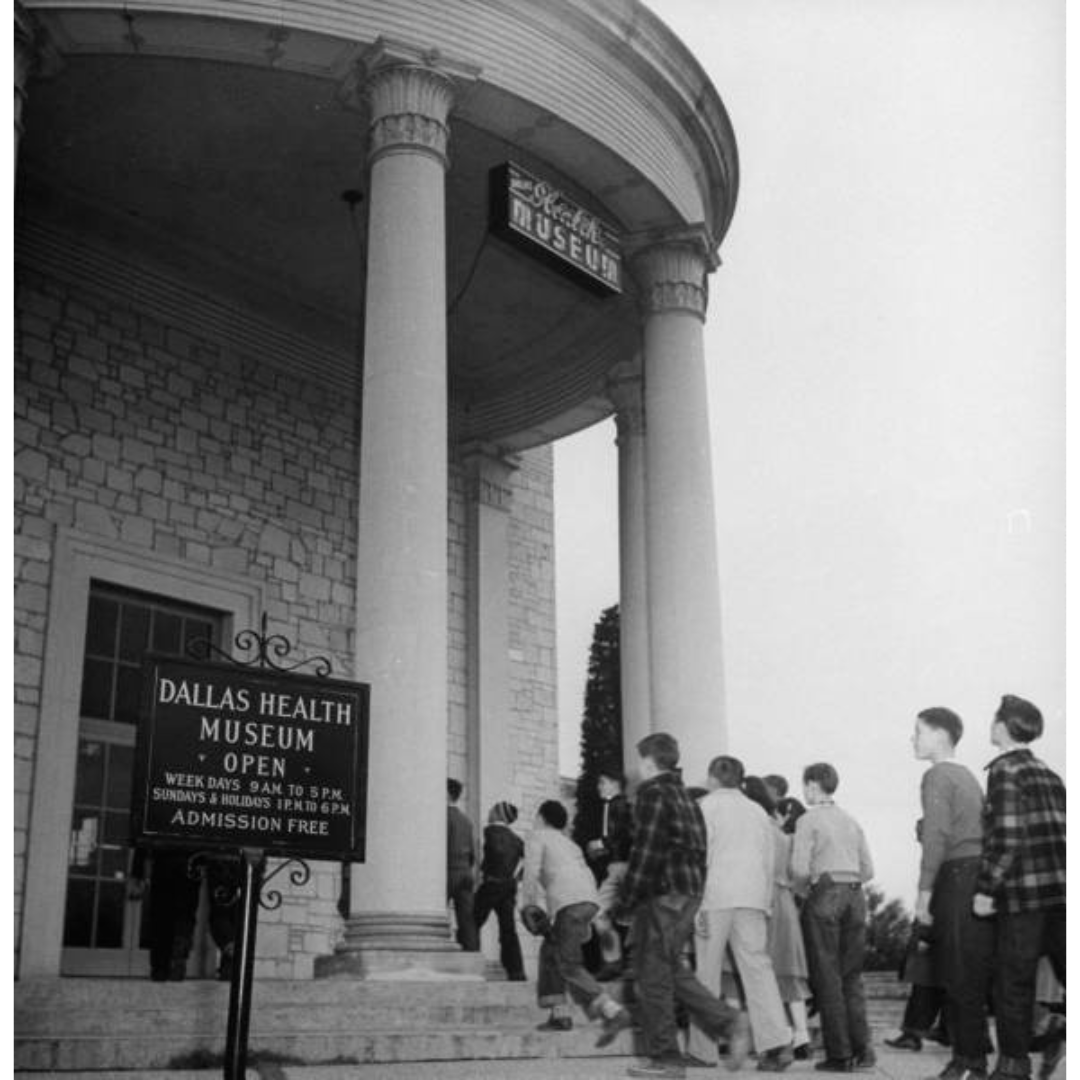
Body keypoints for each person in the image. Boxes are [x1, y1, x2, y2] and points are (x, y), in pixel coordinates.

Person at [610, 732, 751, 1080]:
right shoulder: (685, 796)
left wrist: (626, 901)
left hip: (663, 892)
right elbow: (699, 850)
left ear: (647, 762)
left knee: (651, 977)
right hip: (688, 892)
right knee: (671, 969)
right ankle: (729, 1022)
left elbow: (647, 851)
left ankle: (666, 1061)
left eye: (639, 761)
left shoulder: (653, 793)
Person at [973, 695, 1065, 1080]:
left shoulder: (1005, 770)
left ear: (1005, 726)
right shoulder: (1050, 774)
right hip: (1062, 893)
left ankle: (1013, 1067)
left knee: (1013, 981)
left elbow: (1008, 836)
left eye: (995, 719)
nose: (991, 724)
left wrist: (986, 888)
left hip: (1024, 896)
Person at [687, 760, 793, 1072]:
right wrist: (765, 904)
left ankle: (702, 1051)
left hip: (715, 898)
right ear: (740, 780)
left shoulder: (703, 807)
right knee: (758, 970)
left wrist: (695, 904)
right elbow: (769, 861)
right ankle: (777, 1045)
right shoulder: (758, 812)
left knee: (706, 972)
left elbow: (697, 858)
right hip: (752, 899)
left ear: (711, 778)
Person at [910, 706, 995, 1080]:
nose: (912, 739)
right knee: (969, 973)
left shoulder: (937, 776)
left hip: (957, 876)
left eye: (918, 732)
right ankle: (968, 1060)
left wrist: (924, 893)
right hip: (976, 874)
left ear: (939, 735)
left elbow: (935, 837)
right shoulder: (967, 776)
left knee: (958, 974)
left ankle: (969, 1063)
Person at [520, 799, 631, 1035]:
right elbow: (586, 875)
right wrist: (589, 915)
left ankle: (612, 1011)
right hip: (586, 902)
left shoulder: (537, 836)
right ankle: (559, 1015)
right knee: (550, 952)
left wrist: (527, 905)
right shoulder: (570, 845)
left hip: (568, 905)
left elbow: (531, 871)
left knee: (568, 965)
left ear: (541, 817)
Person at [791, 762, 875, 1073]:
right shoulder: (851, 821)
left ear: (813, 785)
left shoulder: (807, 819)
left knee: (827, 977)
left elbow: (800, 868)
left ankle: (839, 1056)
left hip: (824, 892)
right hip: (855, 894)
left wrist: (804, 892)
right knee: (851, 978)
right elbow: (868, 870)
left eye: (805, 786)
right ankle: (863, 1050)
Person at [743, 776, 814, 1062]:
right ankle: (801, 1035)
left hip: (764, 898)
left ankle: (779, 1036)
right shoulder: (782, 832)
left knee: (765, 971)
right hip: (785, 900)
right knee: (788, 969)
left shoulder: (758, 829)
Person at [129, 845, 239, 981]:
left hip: (165, 857)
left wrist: (137, 872)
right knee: (185, 914)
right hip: (191, 859)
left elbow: (145, 836)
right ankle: (178, 959)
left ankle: (161, 968)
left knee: (161, 915)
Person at [585, 767, 634, 980]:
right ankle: (621, 963)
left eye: (602, 782)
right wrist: (603, 848)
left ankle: (615, 961)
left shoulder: (619, 805)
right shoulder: (617, 805)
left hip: (621, 868)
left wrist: (600, 843)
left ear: (615, 783)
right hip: (619, 866)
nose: (599, 787)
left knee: (600, 912)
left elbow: (623, 833)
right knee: (621, 916)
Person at [474, 800, 526, 981]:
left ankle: (468, 965)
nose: (489, 811)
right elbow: (528, 861)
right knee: (508, 930)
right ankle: (516, 971)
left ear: (498, 814)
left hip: (491, 884)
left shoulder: (490, 832)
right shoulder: (517, 840)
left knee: (472, 922)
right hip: (508, 887)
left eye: (492, 809)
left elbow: (488, 856)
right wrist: (517, 877)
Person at [447, 778, 479, 951]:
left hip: (449, 871)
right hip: (466, 872)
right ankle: (472, 955)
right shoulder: (466, 821)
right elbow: (473, 853)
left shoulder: (443, 816)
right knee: (467, 920)